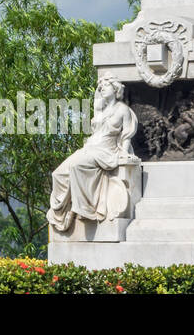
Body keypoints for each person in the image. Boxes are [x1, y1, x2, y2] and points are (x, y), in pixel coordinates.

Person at [47, 77, 139, 233]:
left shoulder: (122, 109)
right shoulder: (100, 109)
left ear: (115, 89)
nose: (102, 88)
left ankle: (82, 209)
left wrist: (124, 153)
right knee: (58, 174)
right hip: (89, 148)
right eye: (100, 86)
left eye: (105, 85)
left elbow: (126, 135)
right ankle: (62, 212)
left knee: (76, 166)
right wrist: (97, 108)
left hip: (105, 151)